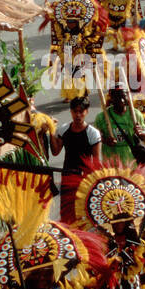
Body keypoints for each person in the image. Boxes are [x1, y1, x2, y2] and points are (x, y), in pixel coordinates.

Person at [50, 95, 102, 223]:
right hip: (67, 175)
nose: (78, 115)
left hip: (84, 178)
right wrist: (51, 131)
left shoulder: (93, 134)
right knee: (67, 211)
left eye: (81, 111)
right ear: (71, 112)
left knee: (84, 212)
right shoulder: (63, 130)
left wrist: (92, 181)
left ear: (87, 112)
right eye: (75, 111)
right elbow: (55, 151)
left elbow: (96, 162)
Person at [93, 85, 145, 167]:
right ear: (111, 99)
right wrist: (105, 140)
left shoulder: (136, 114)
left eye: (123, 97)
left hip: (131, 161)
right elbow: (96, 137)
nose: (121, 100)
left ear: (127, 97)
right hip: (111, 161)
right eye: (117, 97)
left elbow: (144, 136)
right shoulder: (102, 117)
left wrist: (141, 133)